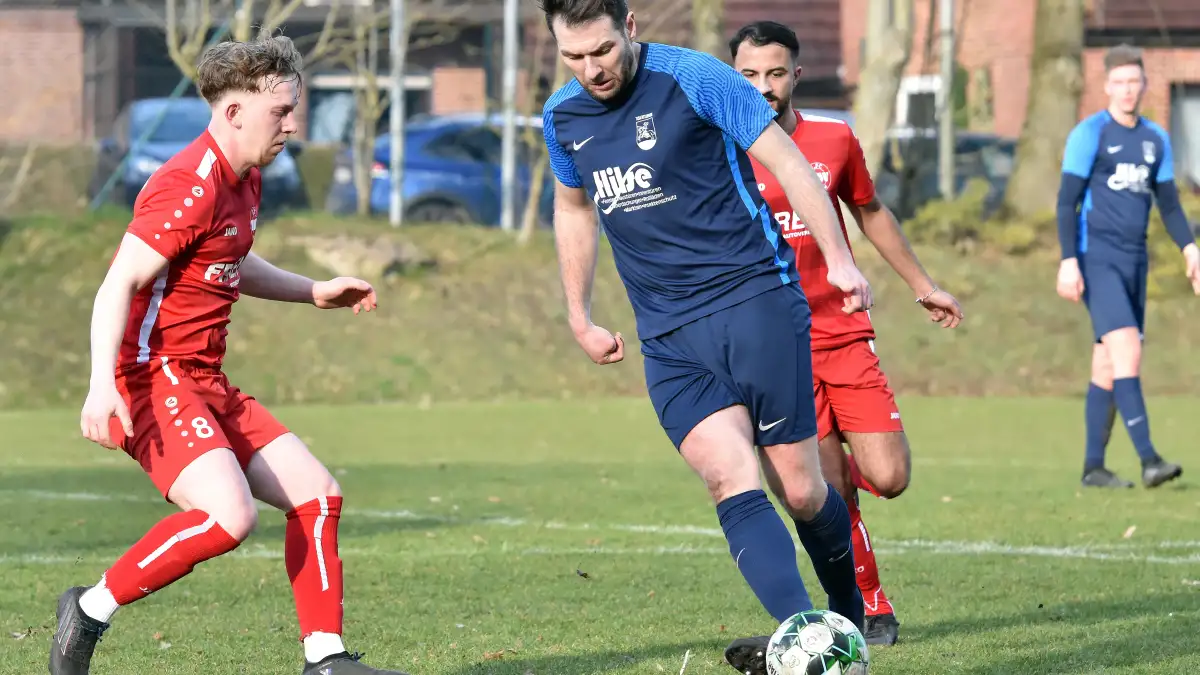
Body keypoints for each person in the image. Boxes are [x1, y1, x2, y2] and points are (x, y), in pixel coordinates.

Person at [538, 1, 878, 673]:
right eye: (573, 57)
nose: (590, 70)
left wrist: (840, 257)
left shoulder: (694, 77)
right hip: (667, 334)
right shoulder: (562, 116)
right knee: (728, 474)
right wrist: (578, 313)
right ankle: (805, 640)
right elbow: (573, 207)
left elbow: (784, 159)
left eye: (602, 51)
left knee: (803, 491)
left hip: (755, 302)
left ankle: (848, 614)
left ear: (629, 27)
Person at [52, 35, 408, 675]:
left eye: (294, 108)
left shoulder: (244, 178)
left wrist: (313, 292)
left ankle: (325, 660)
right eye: (281, 112)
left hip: (203, 379)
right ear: (233, 112)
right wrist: (100, 384)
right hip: (153, 377)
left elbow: (230, 261)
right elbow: (118, 283)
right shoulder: (188, 185)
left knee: (316, 495)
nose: (293, 124)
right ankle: (90, 608)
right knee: (228, 515)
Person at [729, 20, 964, 648]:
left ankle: (848, 493)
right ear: (733, 77)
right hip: (777, 346)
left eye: (775, 73)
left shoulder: (833, 139)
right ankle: (871, 602)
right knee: (825, 490)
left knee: (888, 477)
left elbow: (871, 210)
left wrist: (924, 283)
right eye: (749, 74)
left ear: (796, 74)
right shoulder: (718, 150)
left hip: (844, 332)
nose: (763, 86)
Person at [1056, 43, 1198, 490]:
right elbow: (1066, 203)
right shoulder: (1090, 134)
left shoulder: (1156, 139)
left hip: (1136, 261)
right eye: (1118, 82)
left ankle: (1093, 467)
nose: (1126, 90)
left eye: (1134, 82)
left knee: (1107, 364)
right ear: (1106, 87)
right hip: (1097, 258)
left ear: (1145, 85)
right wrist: (1067, 261)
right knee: (1127, 351)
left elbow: (1170, 205)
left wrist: (1190, 249)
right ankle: (1149, 459)